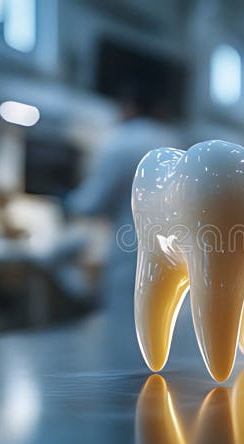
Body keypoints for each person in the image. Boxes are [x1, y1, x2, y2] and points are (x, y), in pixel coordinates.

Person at [66, 86, 182, 310]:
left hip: (128, 260)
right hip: (173, 261)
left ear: (129, 107)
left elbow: (91, 204)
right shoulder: (174, 142)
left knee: (124, 332)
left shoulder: (120, 141)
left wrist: (68, 201)